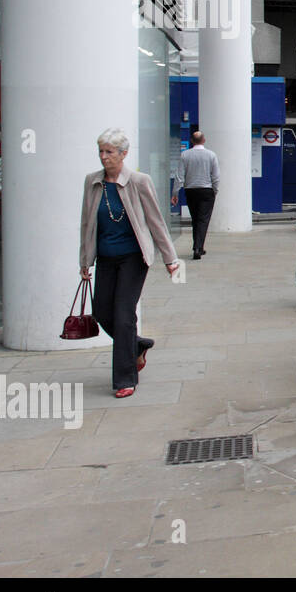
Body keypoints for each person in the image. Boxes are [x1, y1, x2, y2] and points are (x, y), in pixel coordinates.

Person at [80, 128, 180, 398]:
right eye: (101, 151)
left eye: (109, 152)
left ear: (123, 154)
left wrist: (170, 258)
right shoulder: (92, 182)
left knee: (124, 316)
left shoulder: (139, 181)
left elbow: (155, 221)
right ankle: (137, 346)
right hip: (106, 257)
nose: (104, 157)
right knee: (101, 312)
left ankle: (125, 378)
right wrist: (85, 261)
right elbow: (87, 224)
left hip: (134, 257)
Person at [171, 130, 219, 260]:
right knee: (203, 220)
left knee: (195, 218)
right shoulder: (211, 155)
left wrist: (175, 192)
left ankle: (198, 246)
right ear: (204, 140)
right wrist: (215, 190)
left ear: (192, 141)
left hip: (191, 190)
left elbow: (179, 176)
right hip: (206, 190)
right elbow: (215, 176)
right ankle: (198, 247)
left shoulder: (185, 155)